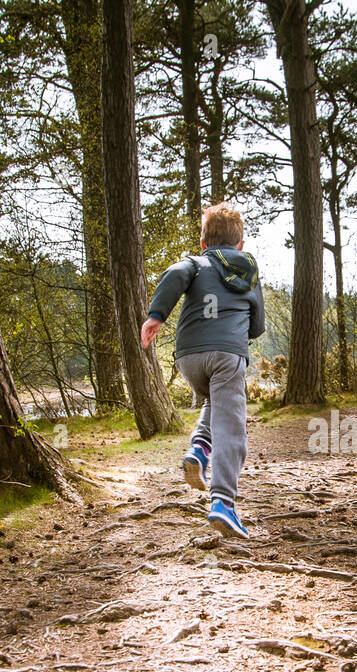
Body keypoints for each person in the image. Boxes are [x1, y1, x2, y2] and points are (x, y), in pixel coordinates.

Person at [141, 202, 264, 538]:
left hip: (189, 358)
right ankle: (223, 502)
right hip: (228, 355)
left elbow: (176, 274)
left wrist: (156, 316)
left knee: (214, 399)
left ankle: (199, 449)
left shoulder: (195, 263)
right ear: (240, 245)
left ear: (203, 243)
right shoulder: (248, 273)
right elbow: (257, 327)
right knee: (232, 427)